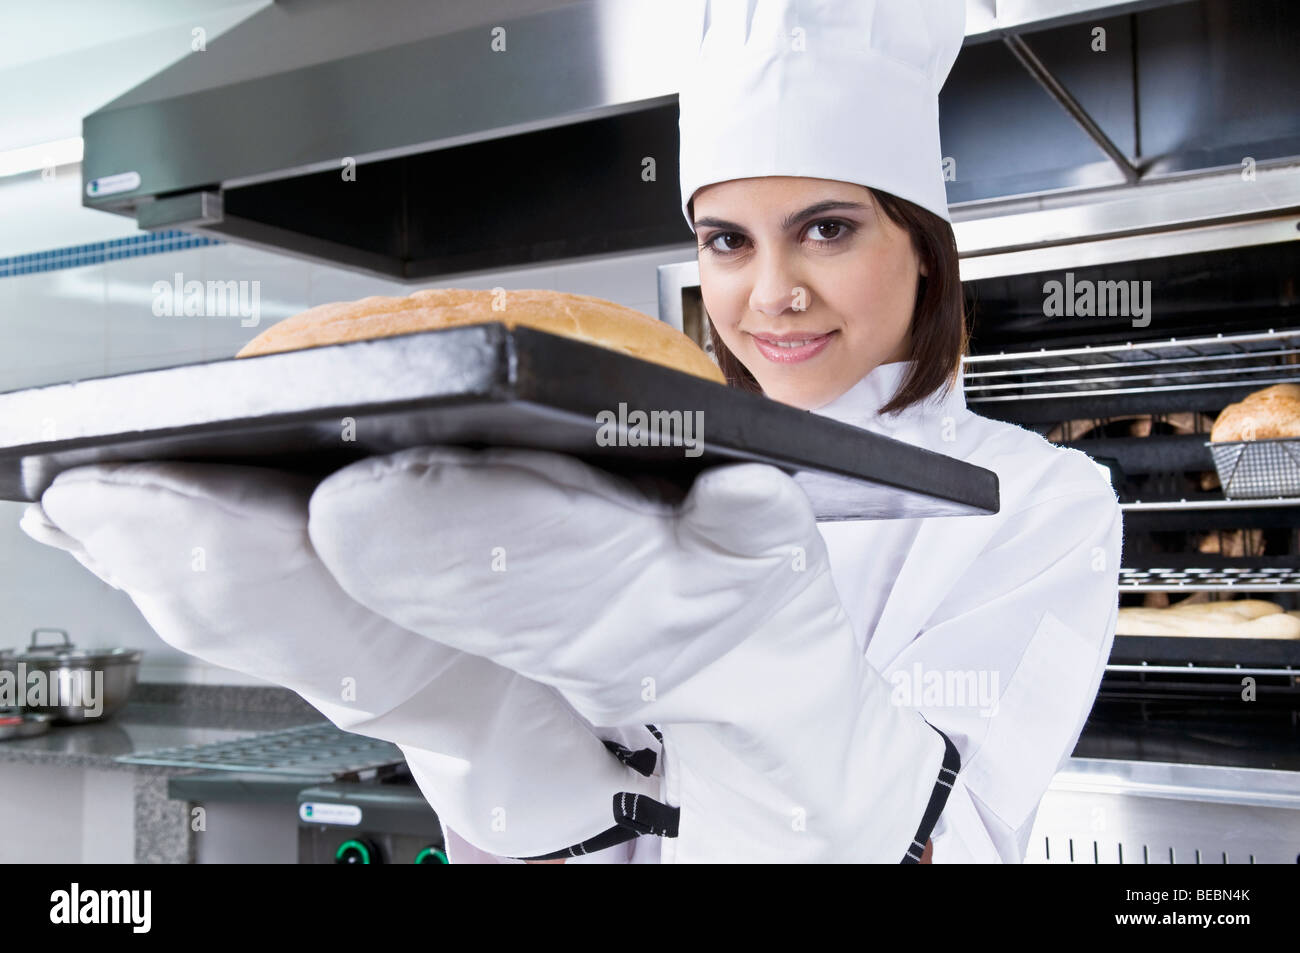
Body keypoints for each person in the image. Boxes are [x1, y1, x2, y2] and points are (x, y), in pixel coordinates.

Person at [22, 0, 1122, 864]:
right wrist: (456, 710)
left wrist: (751, 671)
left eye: (825, 230)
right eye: (726, 241)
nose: (770, 292)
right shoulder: (631, 449)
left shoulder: (1035, 501)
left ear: (922, 246)